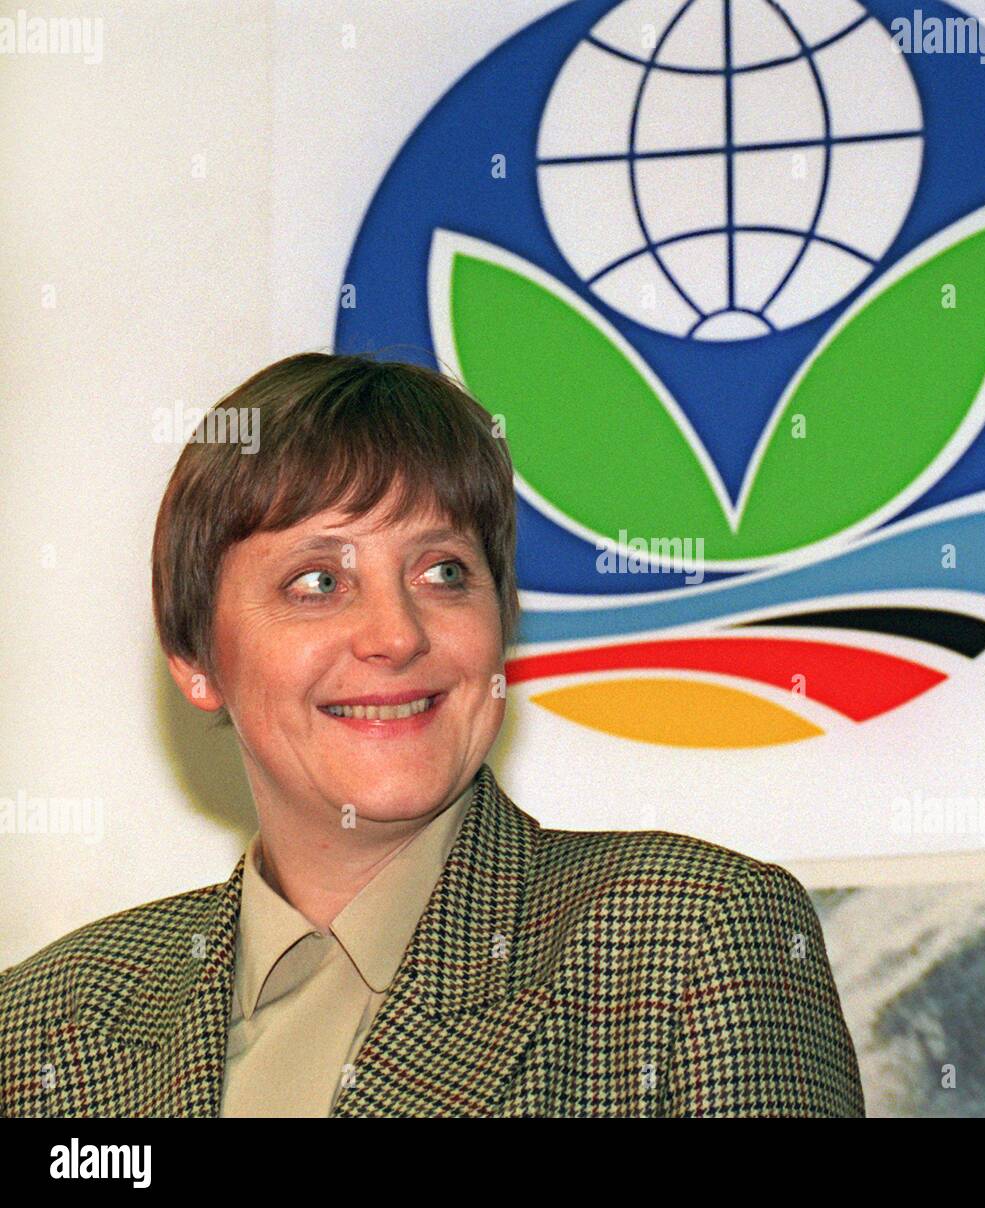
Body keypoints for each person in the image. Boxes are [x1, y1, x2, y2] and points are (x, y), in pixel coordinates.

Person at [0, 352, 864, 1117]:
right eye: (316, 581)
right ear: (196, 657)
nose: (397, 634)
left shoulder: (683, 944)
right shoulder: (42, 1028)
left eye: (443, 571)